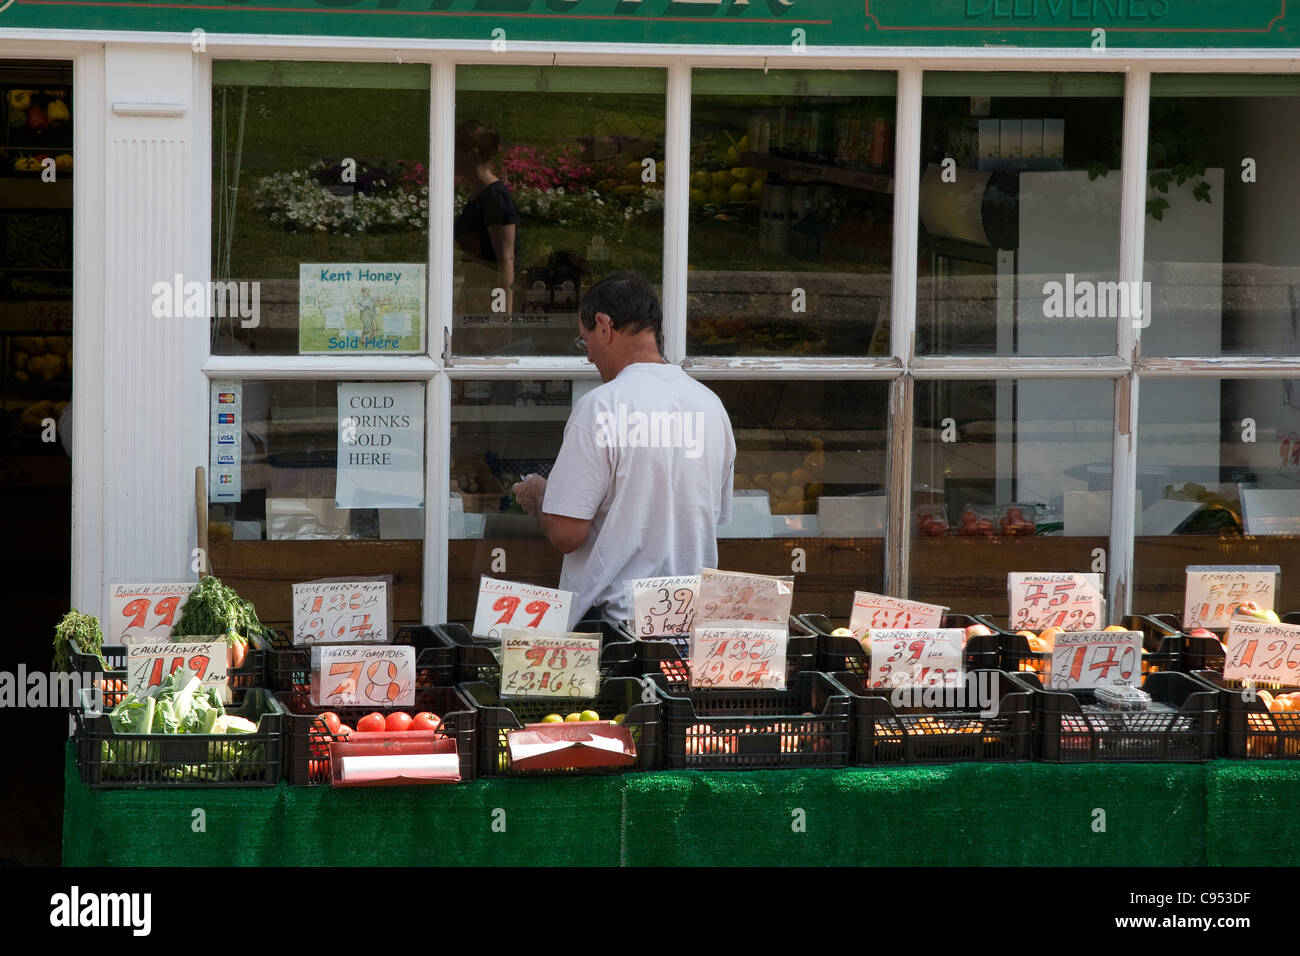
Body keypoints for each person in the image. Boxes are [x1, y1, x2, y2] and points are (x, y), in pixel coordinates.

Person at [512, 272, 736, 626]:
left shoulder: (601, 407)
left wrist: (541, 496)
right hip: (689, 624)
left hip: (616, 622)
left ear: (604, 326)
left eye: (584, 340)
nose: (588, 357)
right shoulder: (710, 406)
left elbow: (567, 534)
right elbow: (708, 517)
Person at [453, 120, 519, 316]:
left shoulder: (494, 198)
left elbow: (506, 259)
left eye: (455, 150)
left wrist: (502, 314)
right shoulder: (477, 193)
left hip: (489, 296)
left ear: (472, 154)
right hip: (475, 290)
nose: (451, 156)